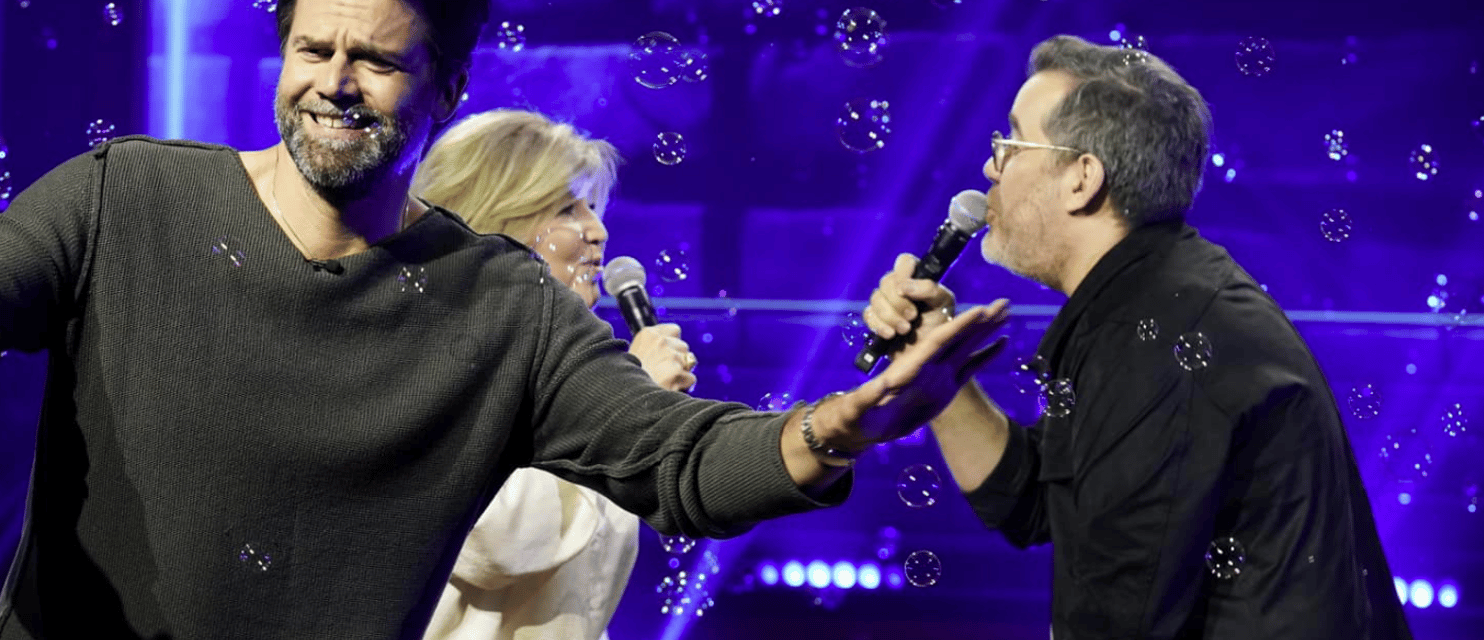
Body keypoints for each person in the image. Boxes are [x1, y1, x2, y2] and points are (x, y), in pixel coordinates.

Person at [0, 0, 1010, 638]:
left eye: (377, 59)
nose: (335, 83)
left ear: (448, 85)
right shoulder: (119, 198)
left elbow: (678, 457)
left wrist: (839, 424)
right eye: (315, 47)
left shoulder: (500, 303)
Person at [862, 35, 1411, 640]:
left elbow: (1120, 619)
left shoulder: (1160, 335)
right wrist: (937, 370)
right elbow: (1032, 503)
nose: (991, 167)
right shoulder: (1149, 302)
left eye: (1010, 144)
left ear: (1082, 178)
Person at [410, 109, 693, 640]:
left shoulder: (562, 367)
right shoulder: (437, 356)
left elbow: (576, 595)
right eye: (567, 209)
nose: (599, 231)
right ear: (495, 221)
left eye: (592, 206)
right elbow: (506, 544)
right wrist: (633, 406)